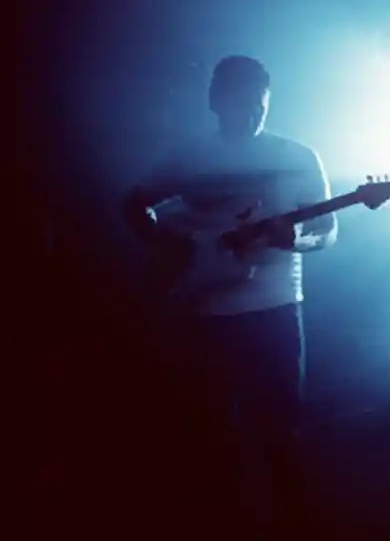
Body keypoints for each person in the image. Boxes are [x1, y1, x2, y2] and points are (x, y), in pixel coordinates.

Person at [123, 55, 336, 538]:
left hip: (275, 312)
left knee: (284, 437)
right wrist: (168, 248)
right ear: (216, 100)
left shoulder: (298, 156)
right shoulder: (188, 156)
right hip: (201, 314)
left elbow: (327, 232)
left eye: (261, 105)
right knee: (205, 440)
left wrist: (294, 239)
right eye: (243, 104)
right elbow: (134, 203)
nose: (254, 114)